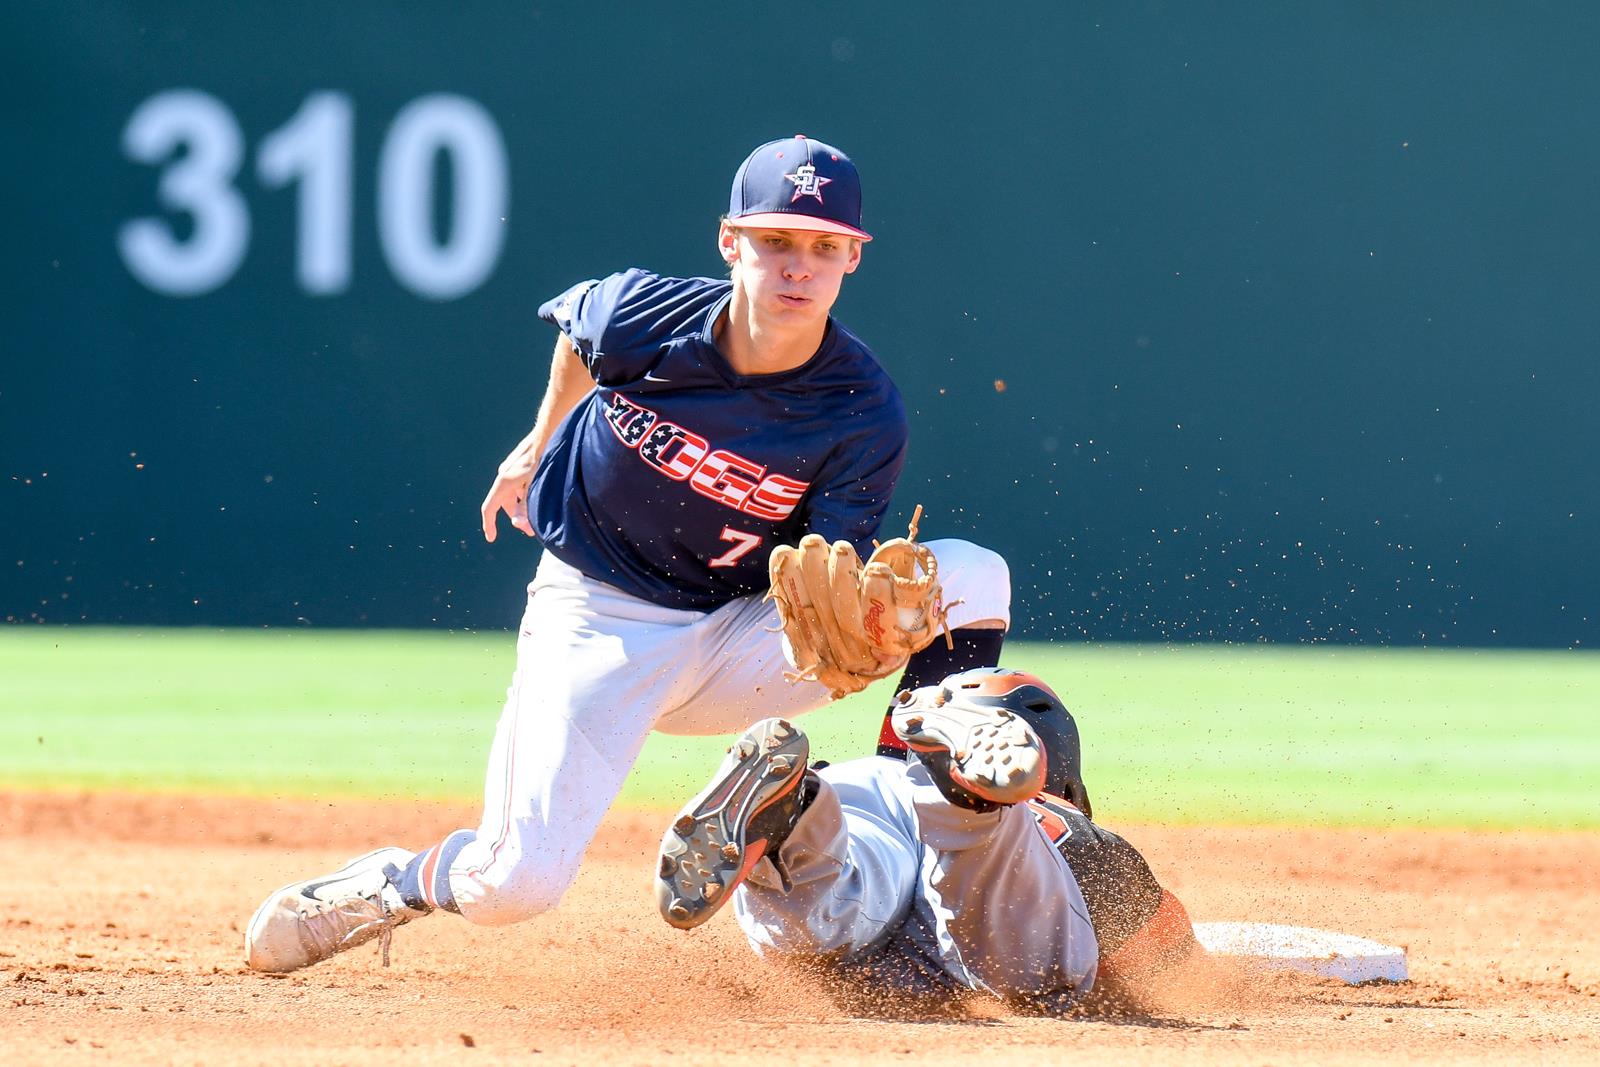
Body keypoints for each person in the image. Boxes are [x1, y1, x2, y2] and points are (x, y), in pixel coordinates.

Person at [244, 135, 1013, 973]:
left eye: (825, 247)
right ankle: (393, 883)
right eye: (776, 240)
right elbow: (578, 340)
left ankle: (906, 815)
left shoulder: (862, 411)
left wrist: (854, 634)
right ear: (731, 242)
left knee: (973, 577)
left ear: (853, 258)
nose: (799, 266)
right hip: (598, 617)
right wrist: (537, 443)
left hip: (736, 631)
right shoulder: (641, 316)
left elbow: (827, 569)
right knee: (515, 884)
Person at [655, 668, 1204, 1013]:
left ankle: (793, 821)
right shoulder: (1067, 830)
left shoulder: (879, 777)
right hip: (1023, 840)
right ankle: (975, 808)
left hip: (867, 795)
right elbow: (1174, 961)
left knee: (812, 917)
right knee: (1036, 977)